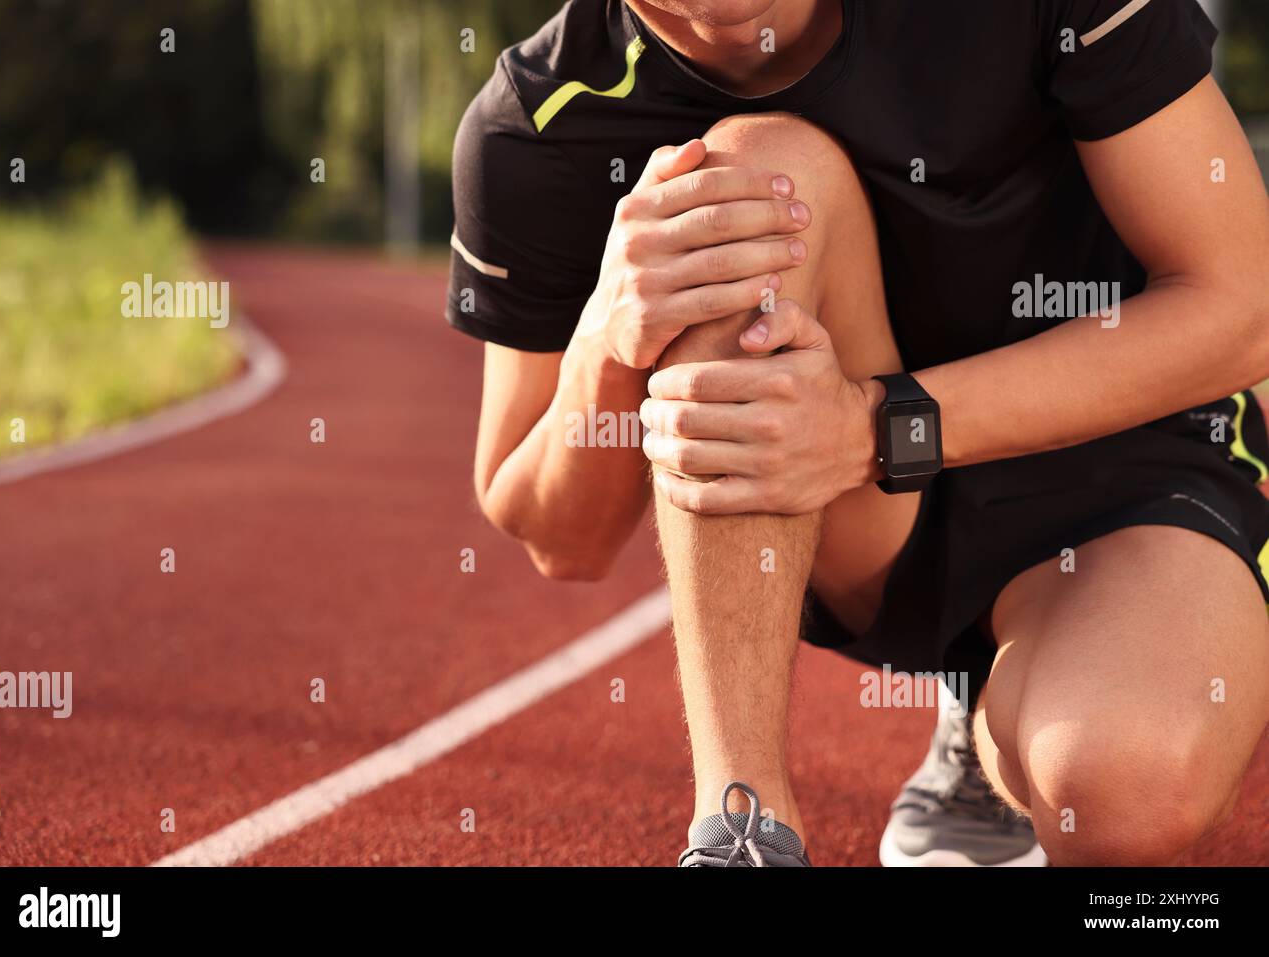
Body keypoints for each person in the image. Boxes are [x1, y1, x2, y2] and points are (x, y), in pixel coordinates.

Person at [445, 0, 1269, 866]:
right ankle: (742, 830)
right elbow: (558, 538)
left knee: (1126, 791)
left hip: (1122, 467)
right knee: (741, 188)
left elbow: (1244, 305)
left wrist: (879, 426)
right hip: (862, 523)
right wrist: (610, 334)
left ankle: (991, 693)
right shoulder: (534, 127)